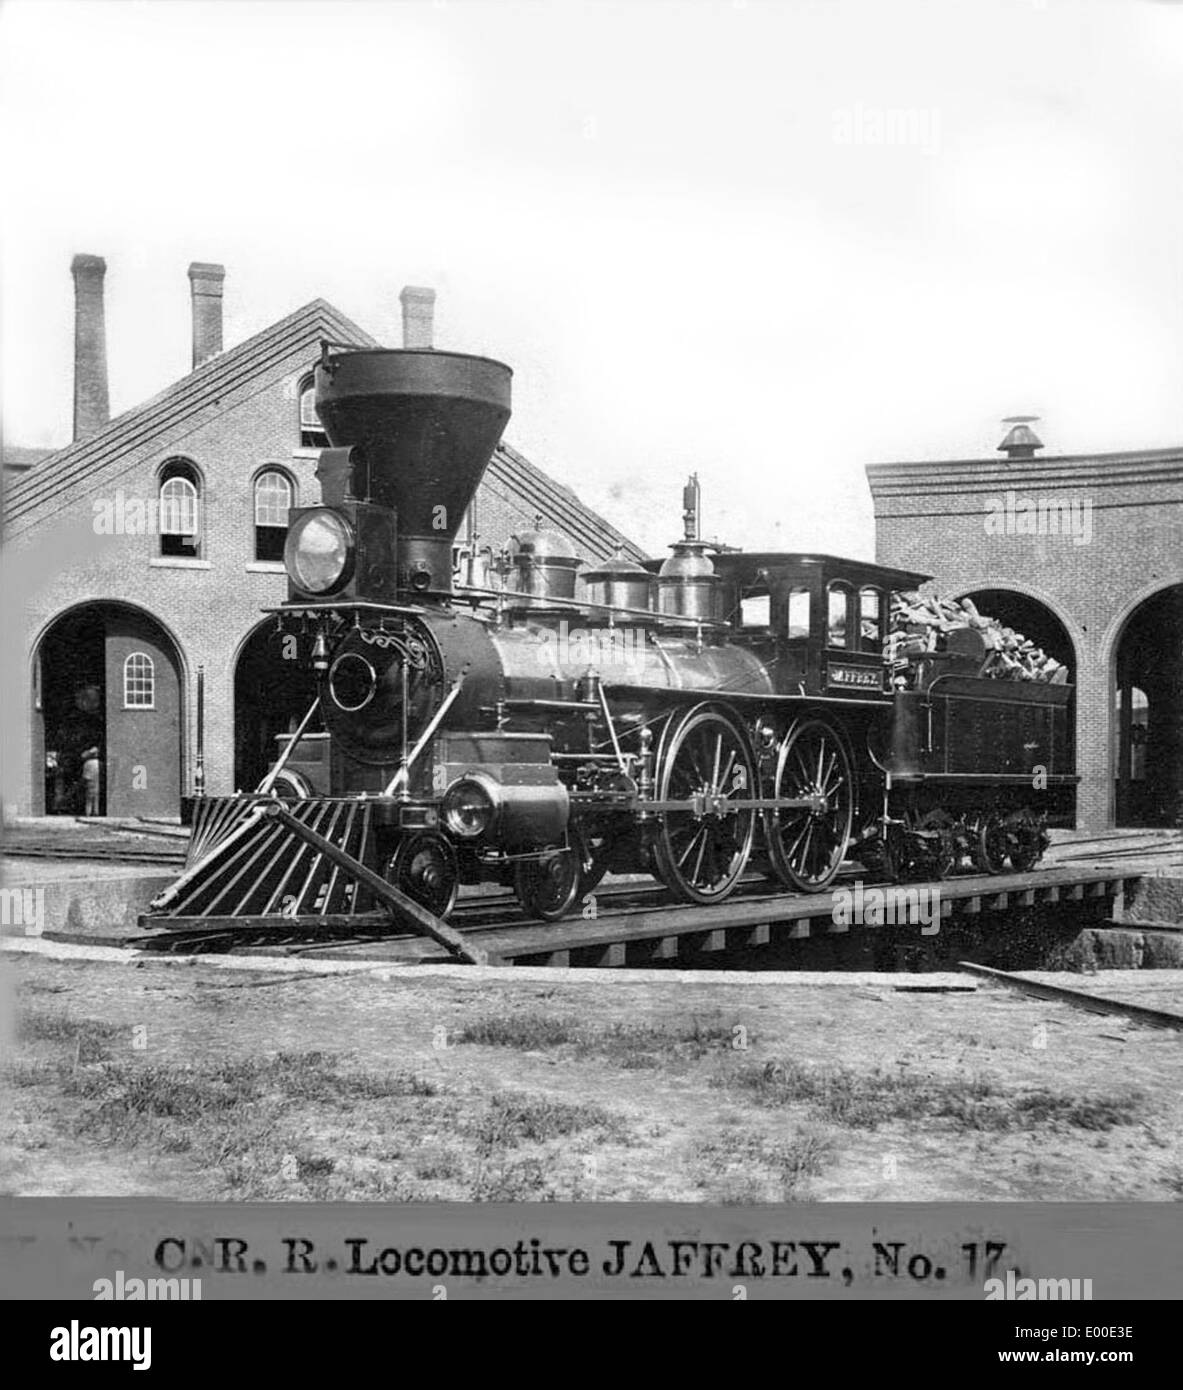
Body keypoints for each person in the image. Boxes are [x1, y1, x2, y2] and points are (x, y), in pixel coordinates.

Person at [81, 747, 101, 817]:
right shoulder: (98, 763)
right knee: (96, 797)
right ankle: (96, 812)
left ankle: (88, 813)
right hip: (97, 781)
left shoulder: (87, 763)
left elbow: (84, 775)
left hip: (89, 781)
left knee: (89, 798)